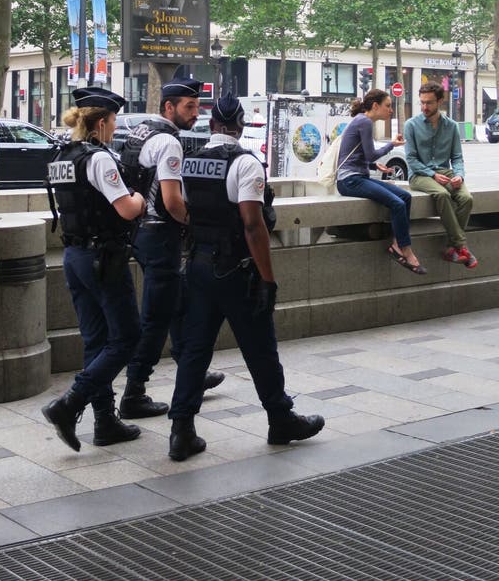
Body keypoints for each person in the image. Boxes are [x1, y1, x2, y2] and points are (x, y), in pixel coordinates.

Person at [168, 92, 325, 462]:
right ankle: (280, 419)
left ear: (212, 124)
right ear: (239, 126)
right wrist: (267, 279)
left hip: (198, 265)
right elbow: (253, 225)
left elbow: (183, 209)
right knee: (260, 346)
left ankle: (181, 430)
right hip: (236, 269)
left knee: (194, 350)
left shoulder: (191, 162)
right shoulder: (246, 163)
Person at [42, 87, 146, 452]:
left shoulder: (62, 156)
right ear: (100, 123)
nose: (115, 128)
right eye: (114, 121)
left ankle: (105, 421)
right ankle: (69, 404)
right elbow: (127, 209)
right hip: (103, 258)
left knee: (96, 340)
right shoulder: (99, 159)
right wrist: (140, 196)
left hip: (74, 256)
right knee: (127, 337)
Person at [118, 78, 225, 419]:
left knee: (177, 304)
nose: (196, 114)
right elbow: (173, 201)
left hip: (139, 232)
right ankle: (134, 392)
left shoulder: (139, 132)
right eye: (189, 107)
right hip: (161, 235)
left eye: (198, 107)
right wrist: (197, 225)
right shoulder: (168, 142)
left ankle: (192, 371)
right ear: (169, 107)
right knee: (157, 317)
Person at [336, 90, 426, 273]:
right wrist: (391, 145)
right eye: (388, 106)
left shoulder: (361, 120)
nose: (391, 110)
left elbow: (358, 156)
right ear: (375, 106)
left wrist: (374, 166)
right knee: (398, 204)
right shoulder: (364, 122)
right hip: (349, 181)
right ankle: (406, 249)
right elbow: (370, 154)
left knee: (405, 197)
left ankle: (397, 243)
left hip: (356, 177)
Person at [405, 81, 477, 267]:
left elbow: (457, 157)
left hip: (445, 172)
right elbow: (411, 159)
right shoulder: (411, 125)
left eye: (429, 103)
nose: (424, 107)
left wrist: (459, 175)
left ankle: (451, 248)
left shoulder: (451, 126)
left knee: (466, 199)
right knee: (442, 194)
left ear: (440, 102)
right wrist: (432, 174)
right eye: (422, 102)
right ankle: (461, 246)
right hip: (419, 175)